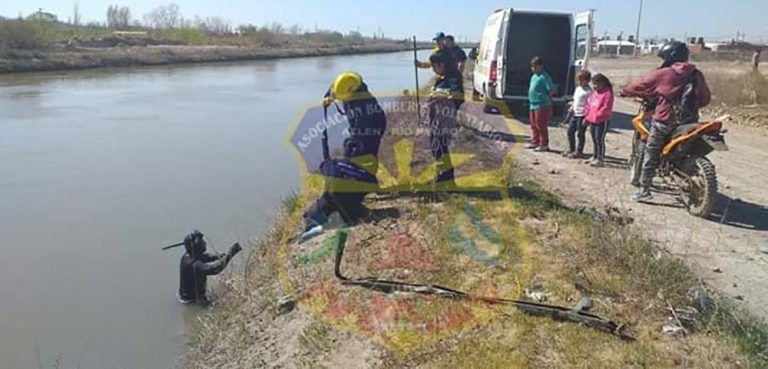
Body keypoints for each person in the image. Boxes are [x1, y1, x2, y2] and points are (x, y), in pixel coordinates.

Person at [621, 41, 711, 202]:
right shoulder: (696, 74)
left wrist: (625, 91)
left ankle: (645, 190)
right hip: (690, 123)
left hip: (665, 122)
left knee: (651, 152)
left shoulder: (664, 73)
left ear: (670, 57)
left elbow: (638, 85)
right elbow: (705, 99)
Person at [303, 72, 386, 232]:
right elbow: (334, 89)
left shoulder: (365, 108)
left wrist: (349, 149)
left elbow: (359, 137)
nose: (342, 100)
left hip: (373, 126)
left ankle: (363, 181)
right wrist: (329, 97)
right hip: (359, 122)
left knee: (364, 154)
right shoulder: (346, 82)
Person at [426, 50, 464, 185]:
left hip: (444, 119)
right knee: (436, 147)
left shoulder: (453, 77)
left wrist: (439, 94)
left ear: (441, 64)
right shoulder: (444, 77)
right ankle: (442, 177)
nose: (433, 70)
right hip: (437, 119)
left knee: (440, 147)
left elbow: (458, 95)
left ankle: (446, 180)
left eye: (434, 66)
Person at [178, 230, 242, 305]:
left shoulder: (188, 256)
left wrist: (217, 256)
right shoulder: (195, 264)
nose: (204, 243)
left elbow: (204, 257)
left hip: (184, 296)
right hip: (191, 301)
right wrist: (230, 254)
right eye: (201, 242)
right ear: (195, 246)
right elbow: (214, 269)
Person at [583, 73, 614, 167]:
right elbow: (589, 105)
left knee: (599, 139)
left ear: (602, 83)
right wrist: (587, 116)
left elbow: (606, 108)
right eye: (593, 84)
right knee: (594, 139)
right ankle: (595, 155)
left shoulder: (607, 94)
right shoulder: (594, 93)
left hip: (602, 121)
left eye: (596, 84)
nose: (594, 86)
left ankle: (600, 159)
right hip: (592, 120)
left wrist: (597, 115)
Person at [527, 56, 555, 152]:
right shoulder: (534, 76)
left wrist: (546, 99)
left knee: (540, 124)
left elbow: (551, 90)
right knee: (533, 124)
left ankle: (544, 144)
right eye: (532, 67)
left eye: (535, 67)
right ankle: (535, 141)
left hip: (542, 104)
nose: (533, 69)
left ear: (541, 66)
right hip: (533, 103)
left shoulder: (544, 77)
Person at [563, 69, 593, 159]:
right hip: (575, 114)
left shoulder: (589, 92)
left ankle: (579, 151)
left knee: (580, 133)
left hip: (583, 115)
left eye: (581, 80)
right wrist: (572, 107)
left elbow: (590, 105)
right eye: (578, 80)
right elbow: (575, 99)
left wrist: (587, 117)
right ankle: (572, 149)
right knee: (570, 131)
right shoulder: (578, 88)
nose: (579, 82)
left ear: (587, 80)